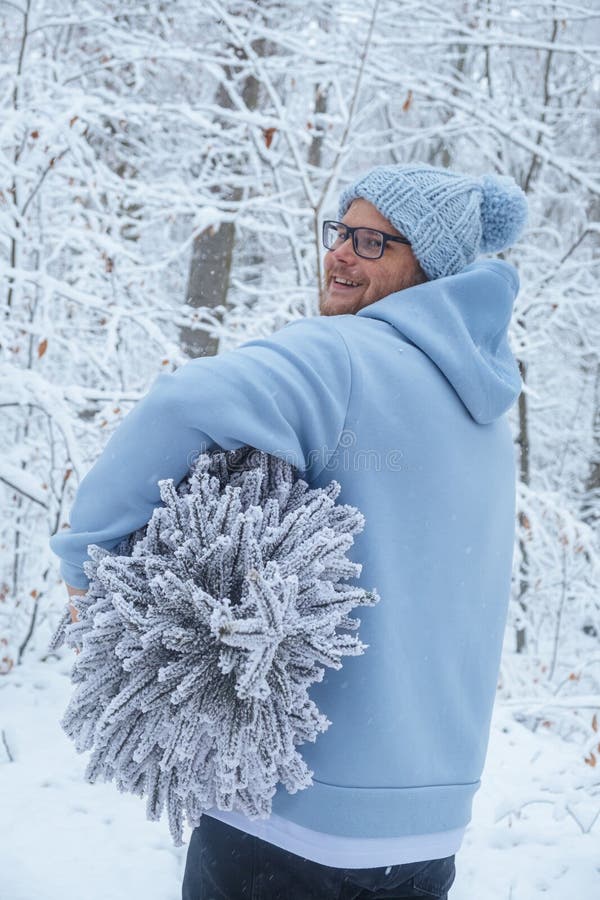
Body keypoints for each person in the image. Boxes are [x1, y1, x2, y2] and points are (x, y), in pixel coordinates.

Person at [50, 163, 528, 899]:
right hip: (430, 835)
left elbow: (181, 402)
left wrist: (88, 565)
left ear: (427, 265)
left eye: (373, 242)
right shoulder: (489, 417)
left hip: (292, 824)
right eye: (340, 232)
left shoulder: (341, 359)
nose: (340, 254)